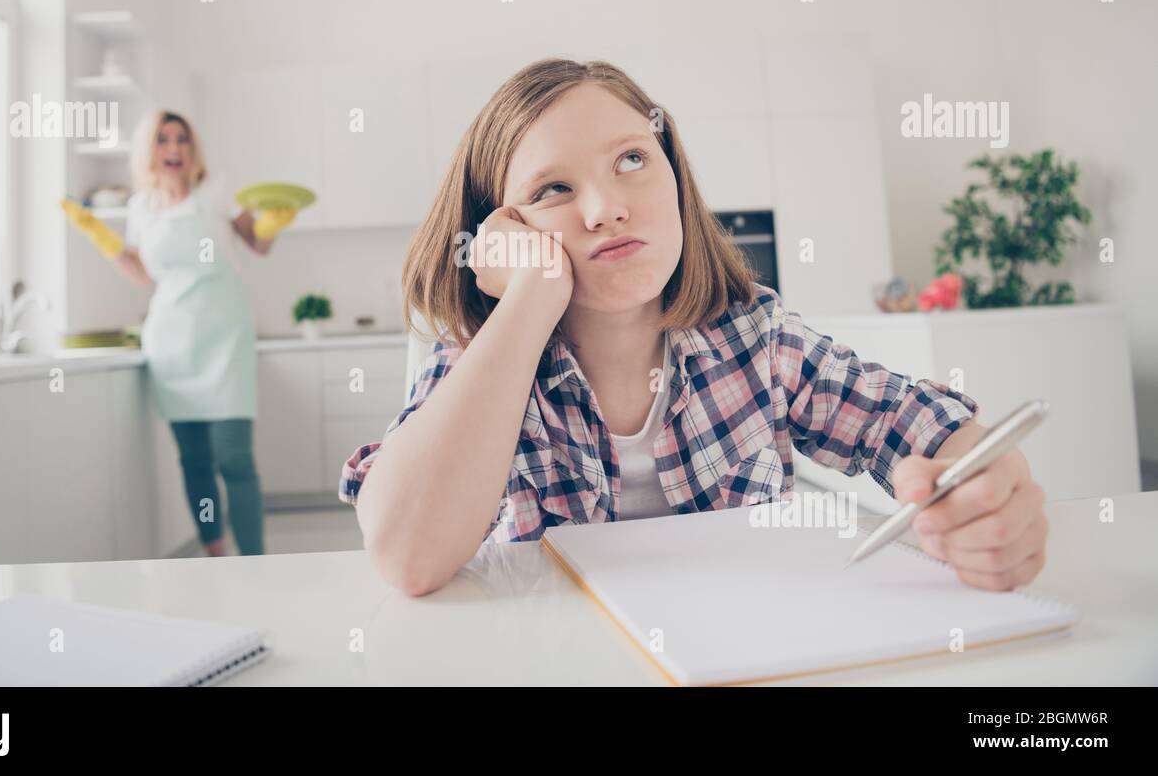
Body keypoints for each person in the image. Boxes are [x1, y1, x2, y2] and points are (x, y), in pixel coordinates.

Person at [339, 58, 1049, 597]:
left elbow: (912, 424)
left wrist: (987, 488)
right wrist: (531, 295)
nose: (606, 208)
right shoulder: (479, 365)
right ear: (501, 230)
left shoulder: (757, 340)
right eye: (552, 190)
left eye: (632, 160)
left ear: (675, 178)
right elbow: (407, 556)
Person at [62, 110, 297, 556]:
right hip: (171, 342)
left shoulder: (216, 190)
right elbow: (145, 274)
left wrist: (271, 223)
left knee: (235, 459)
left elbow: (257, 244)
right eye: (163, 140)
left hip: (225, 338)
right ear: (148, 151)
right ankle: (215, 555)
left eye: (182, 139)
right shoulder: (140, 207)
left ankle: (254, 560)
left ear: (192, 148)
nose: (174, 148)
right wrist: (100, 236)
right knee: (194, 463)